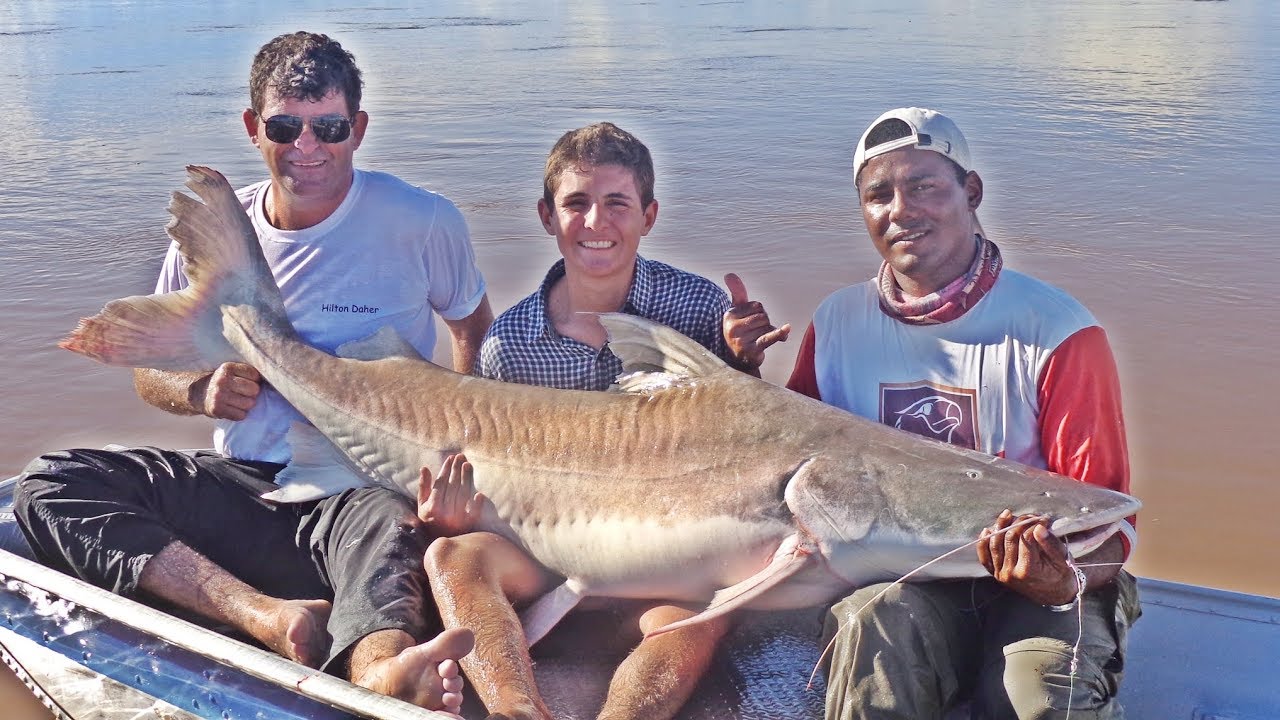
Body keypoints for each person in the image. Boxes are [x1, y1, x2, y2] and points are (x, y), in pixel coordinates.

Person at [15, 31, 494, 714]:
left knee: (392, 537)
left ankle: (385, 674)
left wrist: (456, 451)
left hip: (360, 494)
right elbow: (152, 373)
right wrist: (199, 390)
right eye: (284, 126)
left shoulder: (421, 221)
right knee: (49, 484)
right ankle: (266, 616)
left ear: (357, 129)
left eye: (328, 127)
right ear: (253, 128)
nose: (306, 147)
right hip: (243, 488)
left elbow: (474, 328)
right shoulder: (222, 231)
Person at [420, 121, 788, 720]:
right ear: (547, 216)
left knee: (698, 618)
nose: (596, 223)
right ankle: (517, 710)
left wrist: (740, 363)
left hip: (661, 565)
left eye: (618, 203)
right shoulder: (509, 343)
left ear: (649, 215)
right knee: (453, 558)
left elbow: (747, 444)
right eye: (577, 204)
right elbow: (491, 465)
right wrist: (453, 512)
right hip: (547, 546)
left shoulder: (698, 308)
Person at [786, 107, 1140, 720]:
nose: (901, 210)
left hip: (1048, 589)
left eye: (924, 186)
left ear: (971, 192)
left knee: (1034, 698)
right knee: (869, 625)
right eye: (878, 195)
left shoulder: (1056, 331)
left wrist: (1063, 582)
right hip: (907, 583)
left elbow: (1111, 527)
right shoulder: (837, 324)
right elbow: (783, 470)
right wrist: (734, 369)